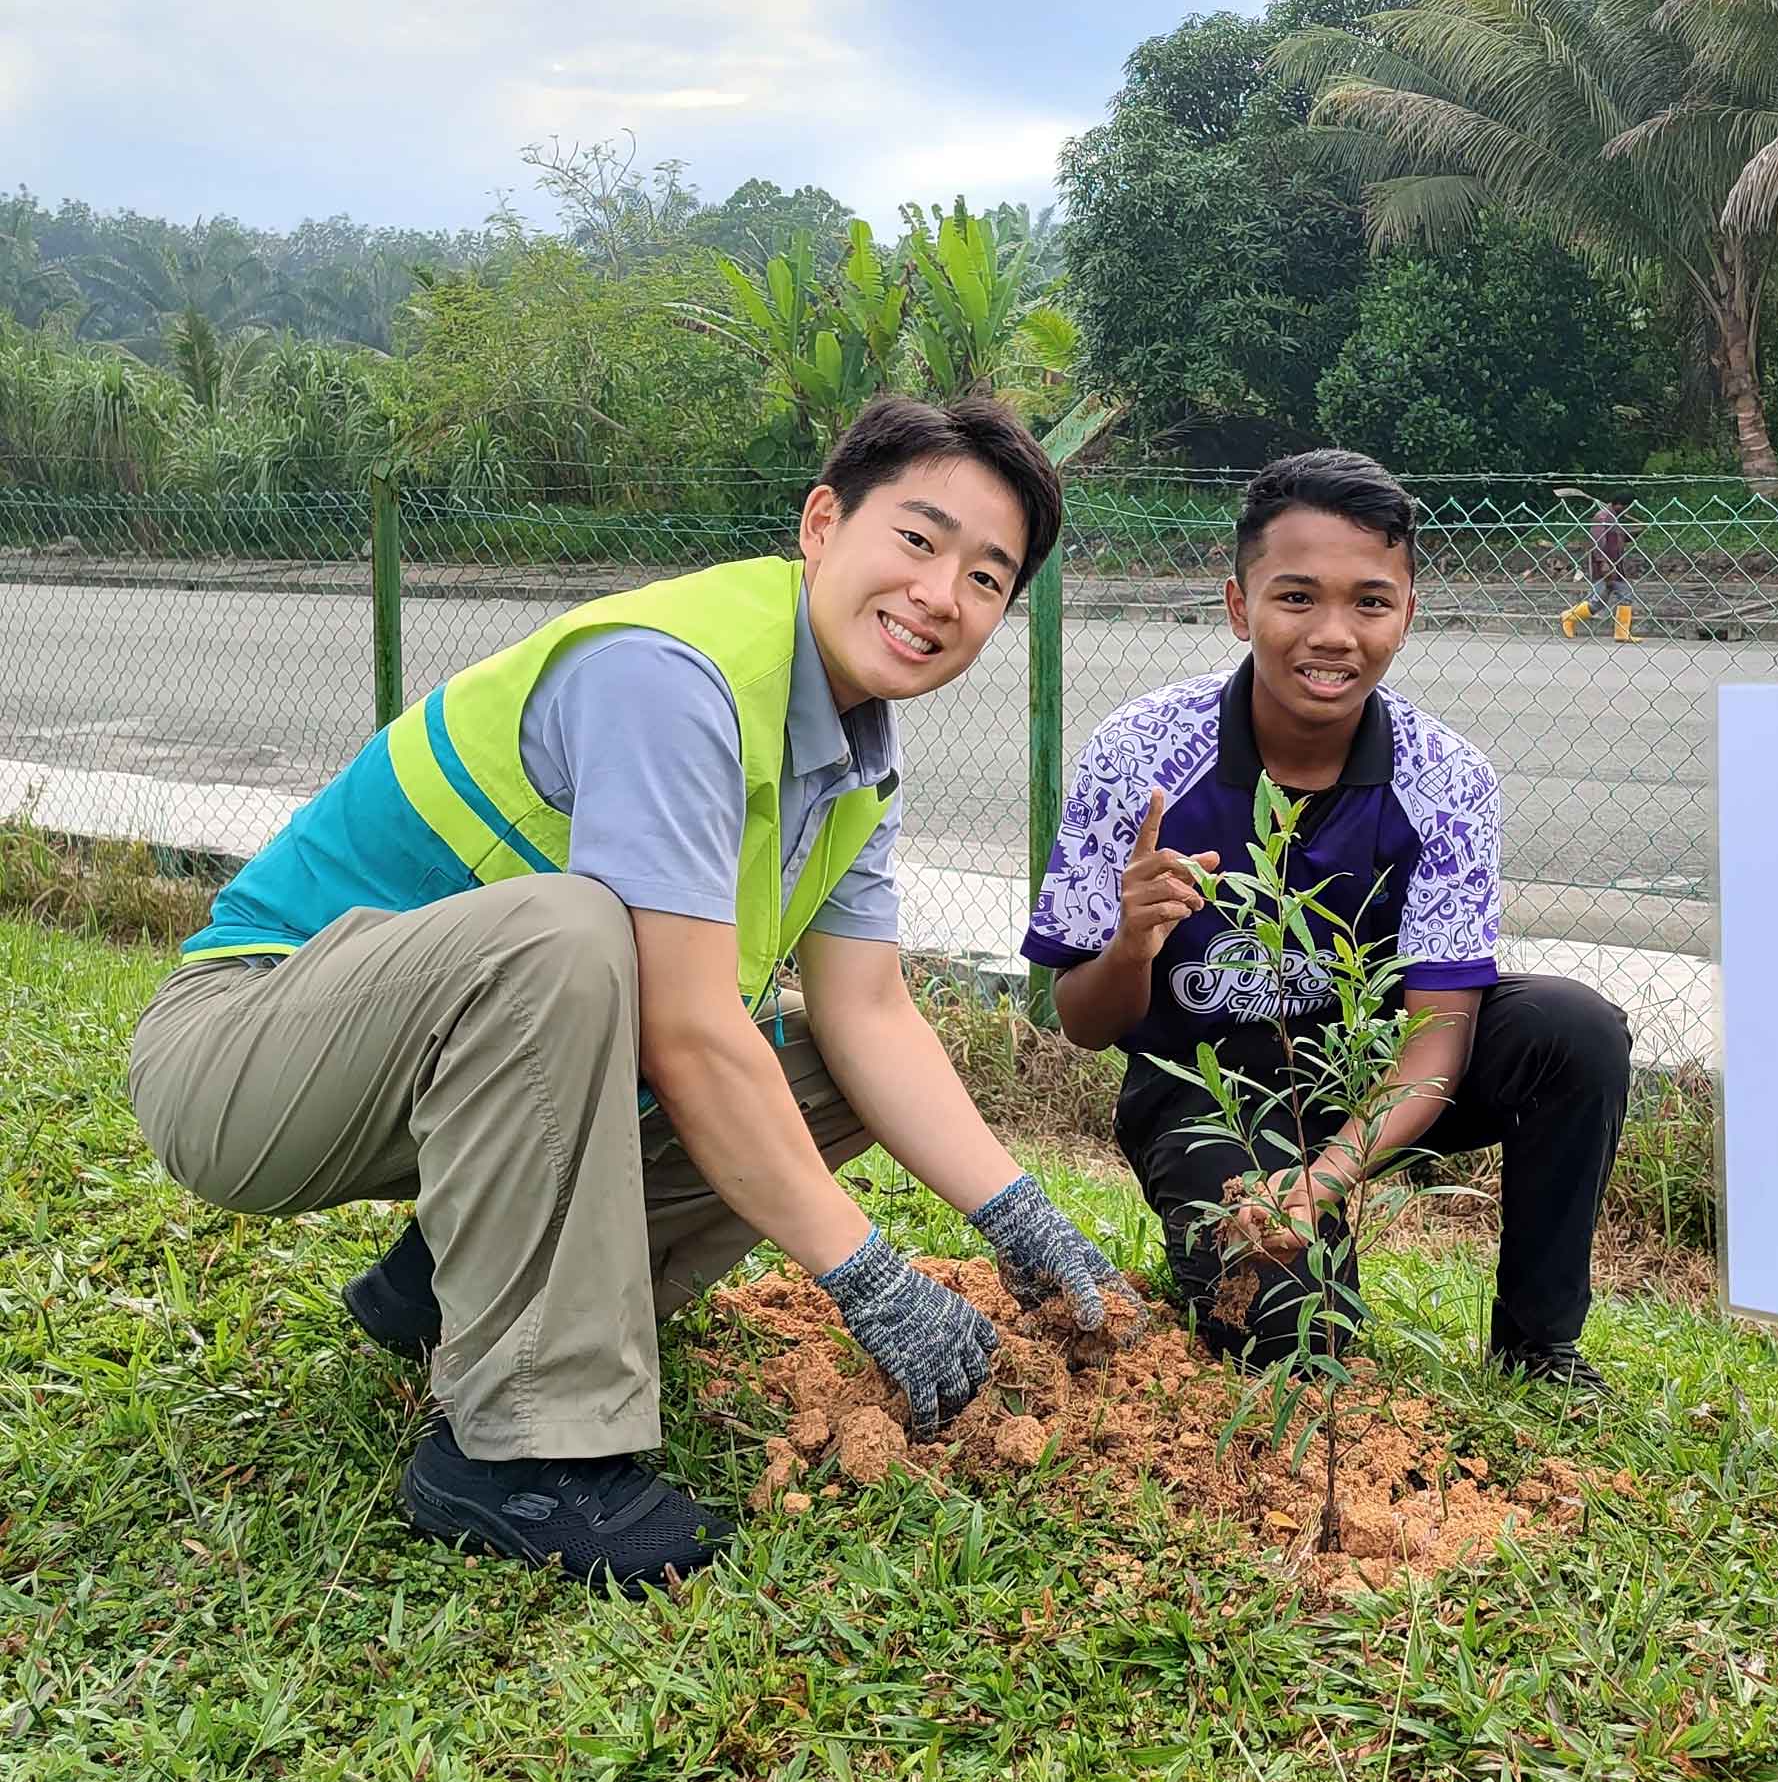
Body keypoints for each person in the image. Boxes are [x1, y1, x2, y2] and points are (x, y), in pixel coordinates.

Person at [125, 396, 1136, 1589]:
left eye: (985, 578)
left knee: (831, 1070)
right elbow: (686, 1032)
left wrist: (1015, 1213)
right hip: (245, 1057)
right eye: (917, 541)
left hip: (432, 1065)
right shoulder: (677, 676)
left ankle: (441, 1290)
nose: (939, 595)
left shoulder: (855, 746)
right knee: (571, 936)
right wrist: (868, 1278)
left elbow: (868, 1012)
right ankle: (515, 1457)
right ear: (822, 523)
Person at [1022, 450, 1630, 1393]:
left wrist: (1327, 1179)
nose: (1334, 634)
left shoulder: (1447, 780)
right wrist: (1133, 942)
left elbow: (1435, 1046)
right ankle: (1244, 1244)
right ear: (1238, 606)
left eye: (1370, 602)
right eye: (1297, 598)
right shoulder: (1138, 755)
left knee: (1573, 1030)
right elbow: (1083, 1021)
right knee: (1292, 1336)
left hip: (1374, 1074)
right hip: (1206, 1087)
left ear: (1408, 615)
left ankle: (1539, 1346)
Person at [1556, 489, 1643, 643]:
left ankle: (1621, 634)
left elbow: (1620, 539)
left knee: (1626, 596)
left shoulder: (1614, 518)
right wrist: (1603, 564)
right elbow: (1596, 543)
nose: (1627, 510)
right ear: (1619, 505)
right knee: (1597, 602)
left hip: (1617, 567)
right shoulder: (1601, 517)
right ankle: (1568, 617)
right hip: (1604, 567)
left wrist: (1639, 530)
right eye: (1626, 507)